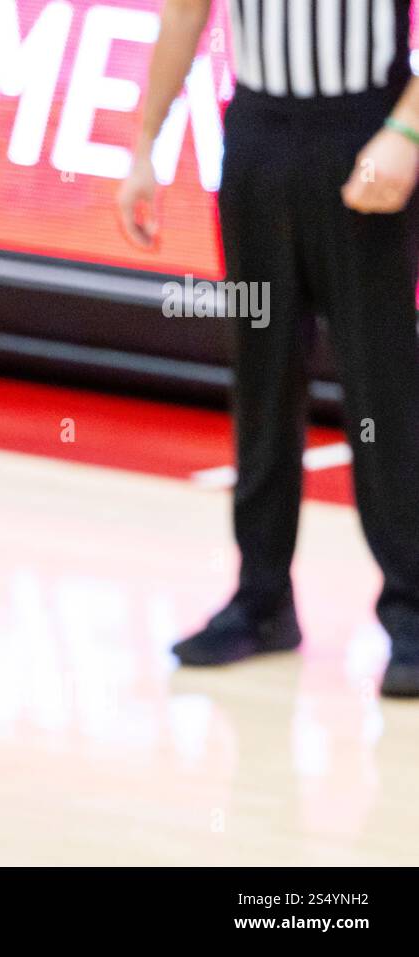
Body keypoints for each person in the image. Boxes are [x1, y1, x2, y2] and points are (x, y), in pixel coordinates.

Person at [118, 0, 419, 696]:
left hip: (367, 125)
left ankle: (411, 605)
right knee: (261, 374)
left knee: (383, 385)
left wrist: (405, 130)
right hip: (257, 137)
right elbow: (188, 11)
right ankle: (261, 599)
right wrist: (144, 148)